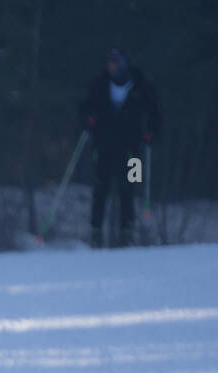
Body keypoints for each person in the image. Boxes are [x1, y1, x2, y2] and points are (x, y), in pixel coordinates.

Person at [78, 48, 162, 247]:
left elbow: (155, 112)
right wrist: (88, 120)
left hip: (132, 146)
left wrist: (151, 132)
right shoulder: (99, 84)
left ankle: (127, 231)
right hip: (103, 144)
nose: (111, 66)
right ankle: (96, 231)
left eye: (115, 62)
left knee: (129, 187)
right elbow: (84, 106)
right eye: (110, 62)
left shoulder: (140, 85)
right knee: (101, 186)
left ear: (124, 64)